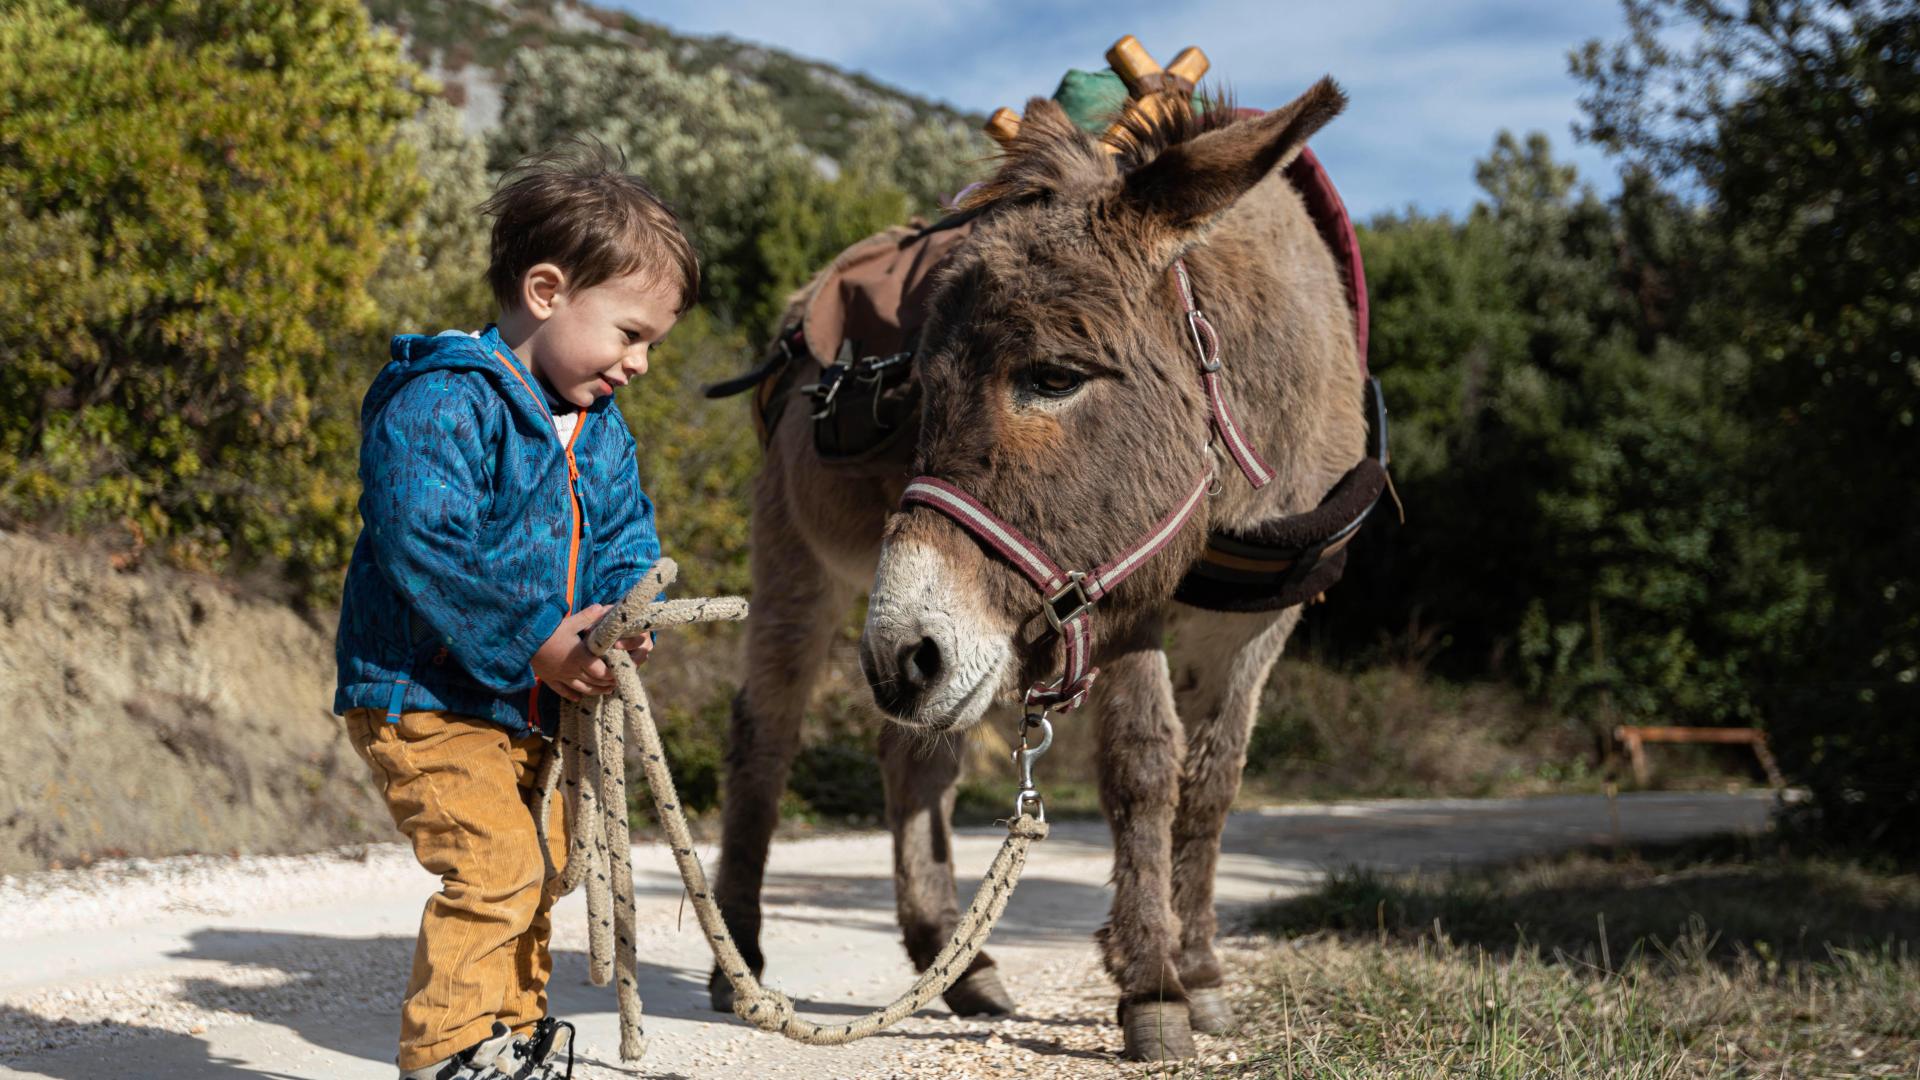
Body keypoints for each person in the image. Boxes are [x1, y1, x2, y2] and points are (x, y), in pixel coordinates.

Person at [333, 140, 697, 1080]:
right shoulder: (443, 399)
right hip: (426, 692)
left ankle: (513, 1038)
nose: (642, 363)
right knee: (495, 865)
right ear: (546, 291)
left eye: (652, 343)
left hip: (534, 706)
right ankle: (449, 1052)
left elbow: (625, 535)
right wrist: (537, 635)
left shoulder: (600, 432)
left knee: (542, 869)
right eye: (629, 333)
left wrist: (625, 613)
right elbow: (422, 539)